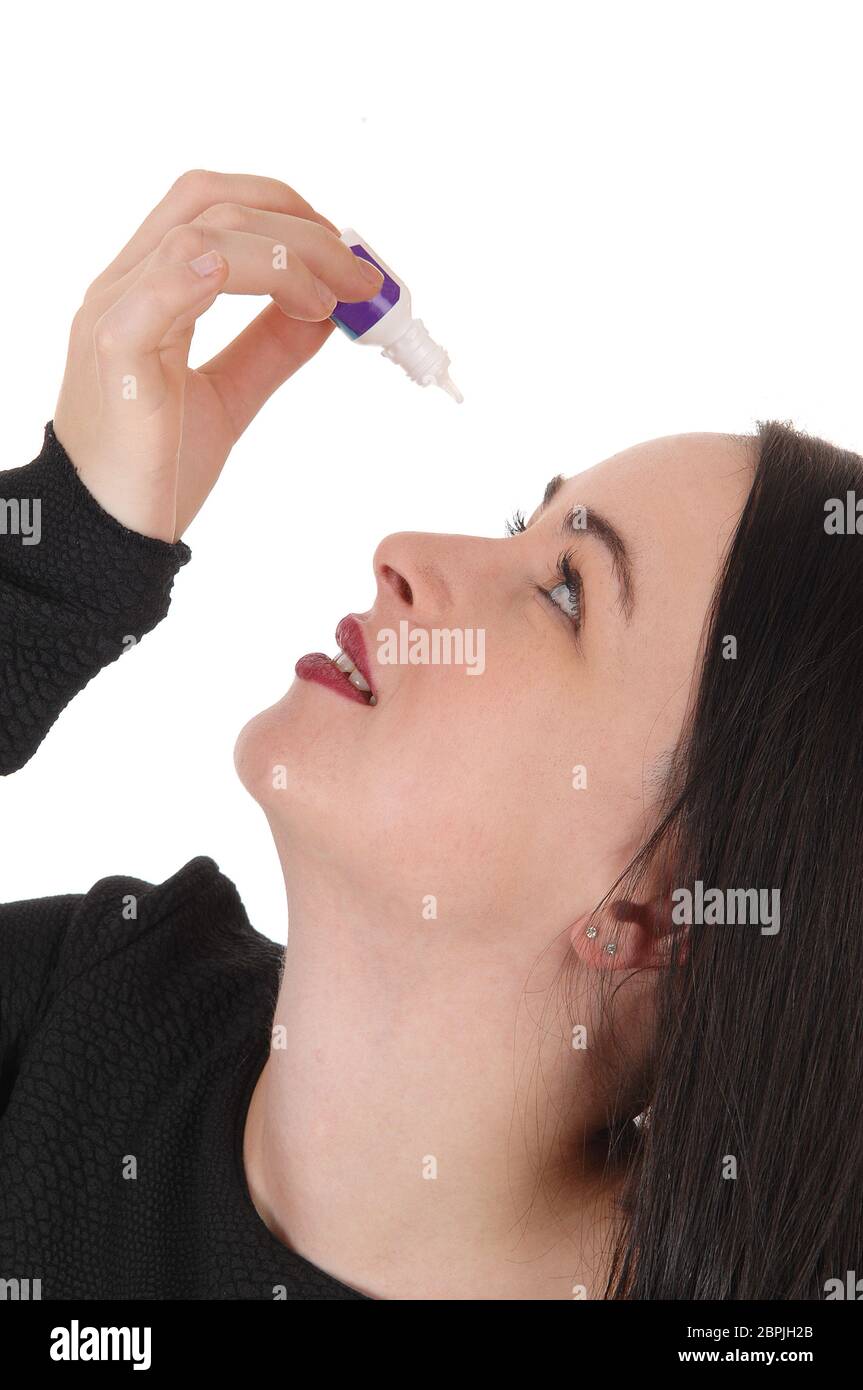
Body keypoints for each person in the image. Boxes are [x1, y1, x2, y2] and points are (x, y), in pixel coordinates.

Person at [1, 170, 860, 1301]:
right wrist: (57, 561)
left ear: (656, 913)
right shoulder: (79, 1013)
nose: (400, 550)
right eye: (524, 525)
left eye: (564, 591)